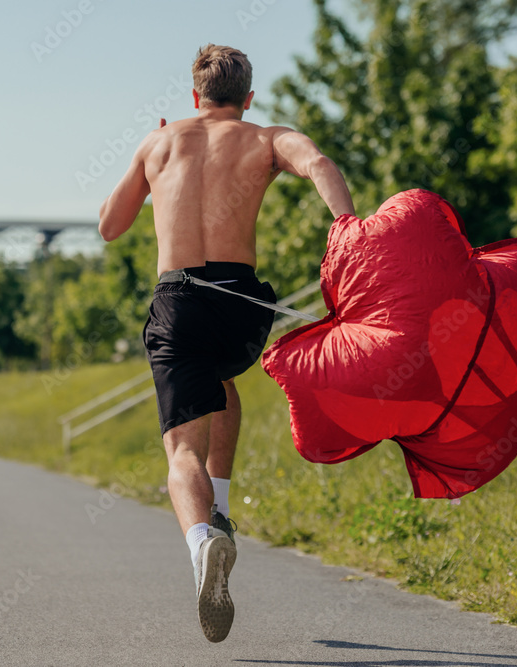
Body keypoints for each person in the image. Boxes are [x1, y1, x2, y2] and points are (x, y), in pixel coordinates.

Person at [99, 44, 354, 643]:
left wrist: (149, 156)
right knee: (221, 383)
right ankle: (219, 506)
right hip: (243, 307)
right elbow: (319, 164)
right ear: (248, 98)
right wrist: (349, 230)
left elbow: (110, 227)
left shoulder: (160, 142)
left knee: (180, 449)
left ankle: (201, 543)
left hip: (181, 299)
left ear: (195, 97)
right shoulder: (266, 137)